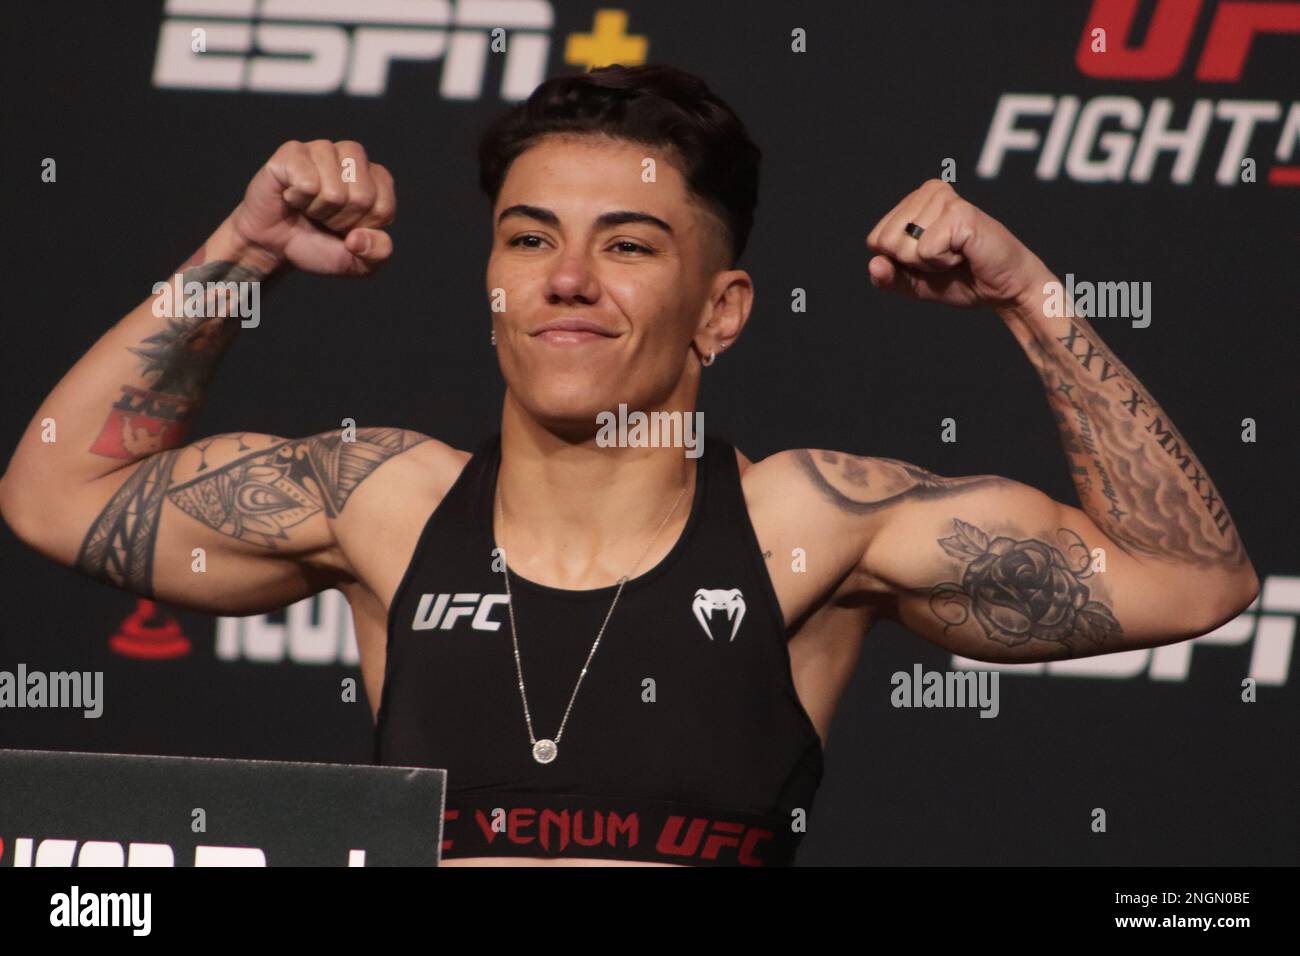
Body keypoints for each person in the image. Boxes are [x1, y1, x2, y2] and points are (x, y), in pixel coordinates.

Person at [0, 64, 1258, 866]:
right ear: (491, 278)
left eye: (630, 245)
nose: (565, 277)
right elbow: (56, 493)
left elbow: (1189, 582)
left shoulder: (811, 522)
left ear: (722, 310)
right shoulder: (385, 501)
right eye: (529, 235)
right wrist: (245, 247)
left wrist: (1033, 300)